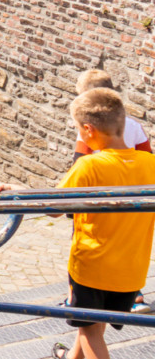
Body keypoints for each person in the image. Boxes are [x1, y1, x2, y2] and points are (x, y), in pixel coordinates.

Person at [0, 88, 155, 359]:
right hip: (132, 270)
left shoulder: (89, 165)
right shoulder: (150, 165)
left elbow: (52, 206)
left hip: (91, 266)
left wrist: (11, 189)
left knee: (90, 330)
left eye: (78, 129)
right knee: (93, 319)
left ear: (88, 130)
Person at [71, 70, 152, 313]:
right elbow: (146, 158)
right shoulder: (135, 126)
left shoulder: (89, 141)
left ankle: (72, 298)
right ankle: (134, 296)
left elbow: (79, 160)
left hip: (96, 203)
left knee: (88, 321)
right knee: (125, 243)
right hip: (132, 206)